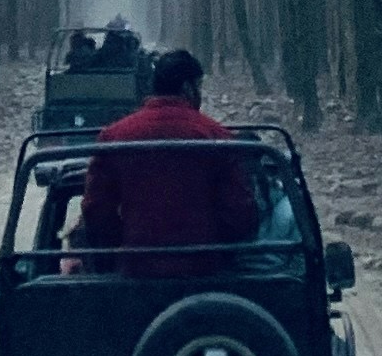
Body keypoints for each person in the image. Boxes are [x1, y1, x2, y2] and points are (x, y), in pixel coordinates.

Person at [71, 47, 262, 262]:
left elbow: (96, 209)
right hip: (204, 274)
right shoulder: (217, 137)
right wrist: (218, 249)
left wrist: (119, 247)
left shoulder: (113, 137)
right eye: (198, 87)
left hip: (134, 273)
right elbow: (240, 212)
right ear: (187, 88)